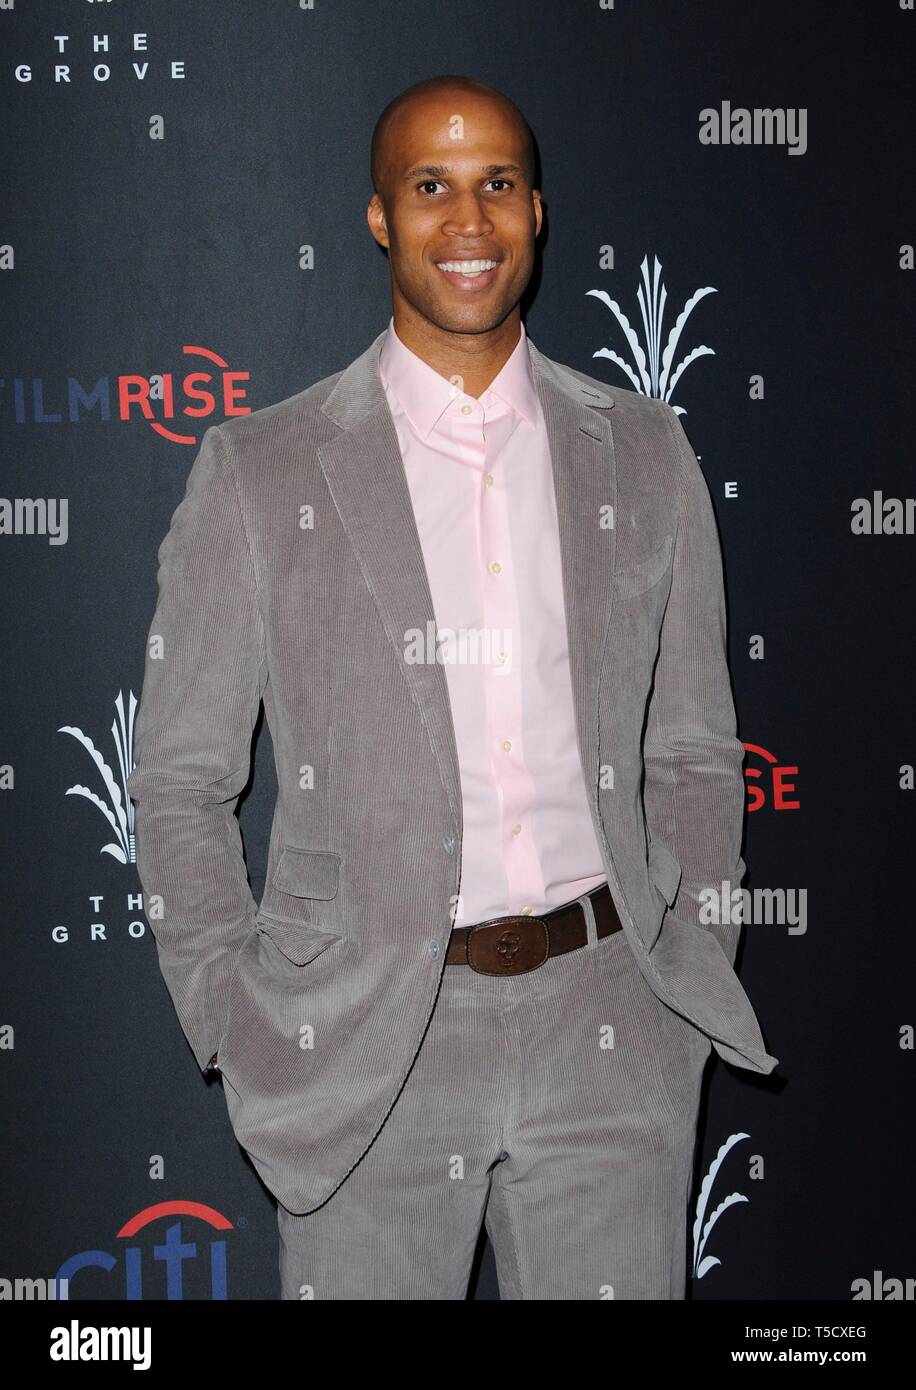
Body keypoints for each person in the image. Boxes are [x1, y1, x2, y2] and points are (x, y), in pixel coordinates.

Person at [127, 74, 778, 1301]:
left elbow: (692, 746)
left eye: (495, 185)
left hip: (612, 1033)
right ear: (380, 216)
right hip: (366, 1042)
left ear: (536, 211)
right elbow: (176, 780)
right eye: (430, 185)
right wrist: (234, 1014)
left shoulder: (640, 450)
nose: (466, 222)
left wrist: (682, 982)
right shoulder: (263, 471)